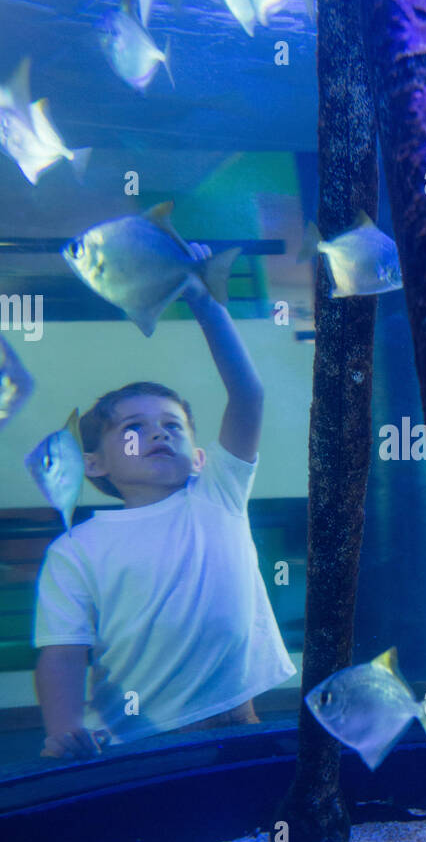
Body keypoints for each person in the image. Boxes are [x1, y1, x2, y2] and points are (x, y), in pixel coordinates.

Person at [33, 268, 297, 760]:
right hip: (139, 739)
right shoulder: (74, 549)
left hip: (242, 716)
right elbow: (63, 654)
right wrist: (62, 730)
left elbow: (249, 394)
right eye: (134, 428)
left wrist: (203, 299)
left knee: (248, 823)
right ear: (94, 462)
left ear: (200, 457)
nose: (158, 434)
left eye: (173, 426)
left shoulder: (218, 491)